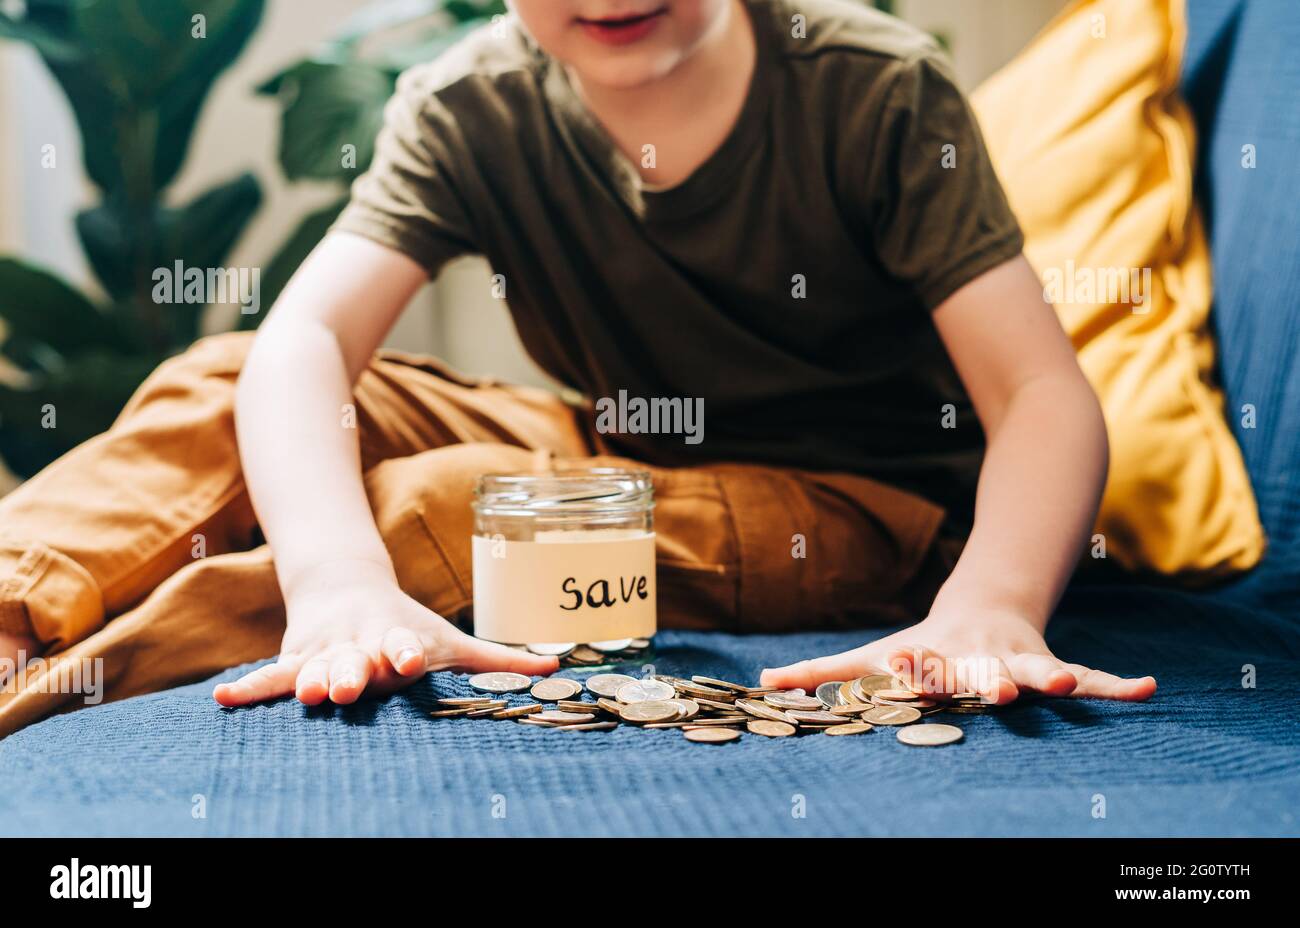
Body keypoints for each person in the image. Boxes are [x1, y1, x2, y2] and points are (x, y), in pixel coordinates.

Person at [0, 0, 1154, 729]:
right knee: (229, 370)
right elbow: (306, 342)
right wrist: (334, 576)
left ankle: (57, 685)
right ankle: (11, 612)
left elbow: (1039, 390)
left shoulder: (876, 88)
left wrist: (993, 604)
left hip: (857, 504)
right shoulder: (467, 103)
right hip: (621, 446)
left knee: (458, 510)